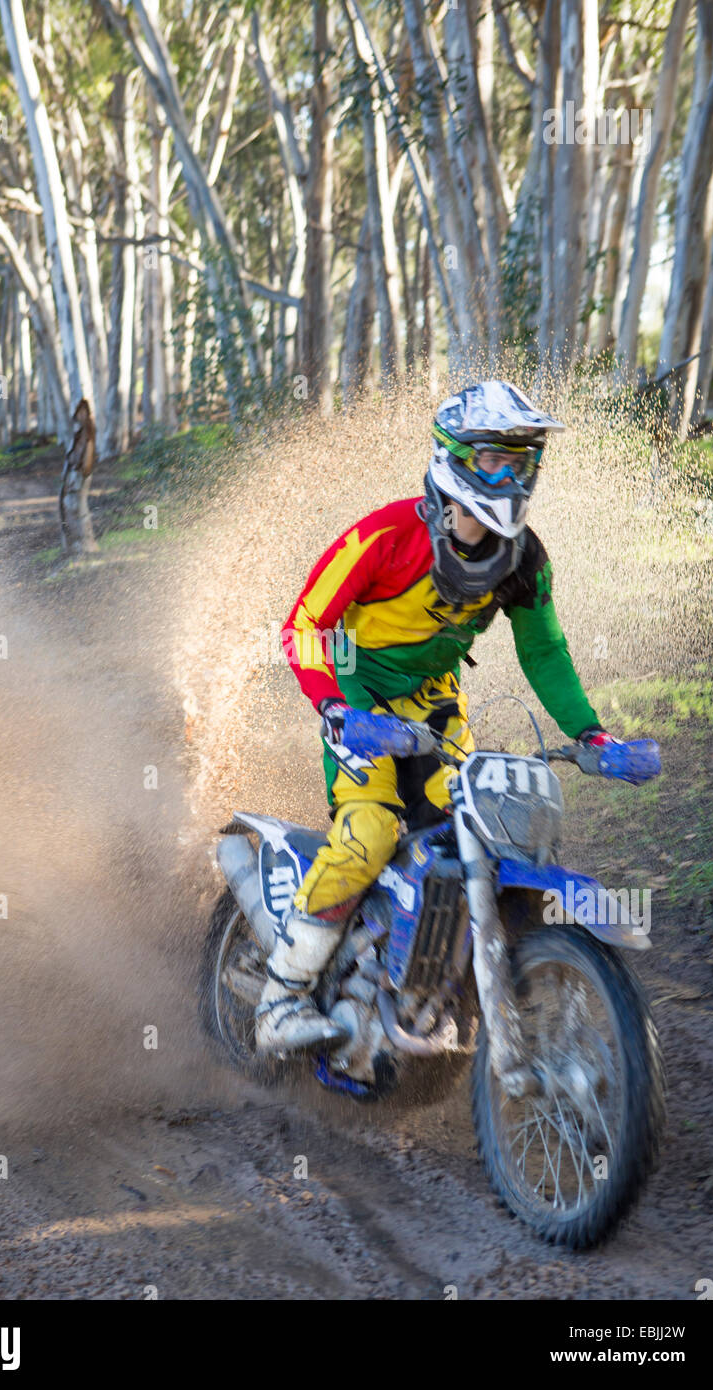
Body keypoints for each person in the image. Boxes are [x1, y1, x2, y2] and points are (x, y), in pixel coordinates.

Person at [256, 380, 619, 1053]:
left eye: (524, 460)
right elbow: (305, 623)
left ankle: (461, 994)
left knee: (486, 834)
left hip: (437, 714)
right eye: (495, 460)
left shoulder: (524, 558)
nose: (512, 474)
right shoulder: (387, 535)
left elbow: (543, 651)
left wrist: (589, 733)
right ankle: (282, 996)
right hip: (359, 708)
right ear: (454, 457)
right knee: (368, 834)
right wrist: (333, 709)